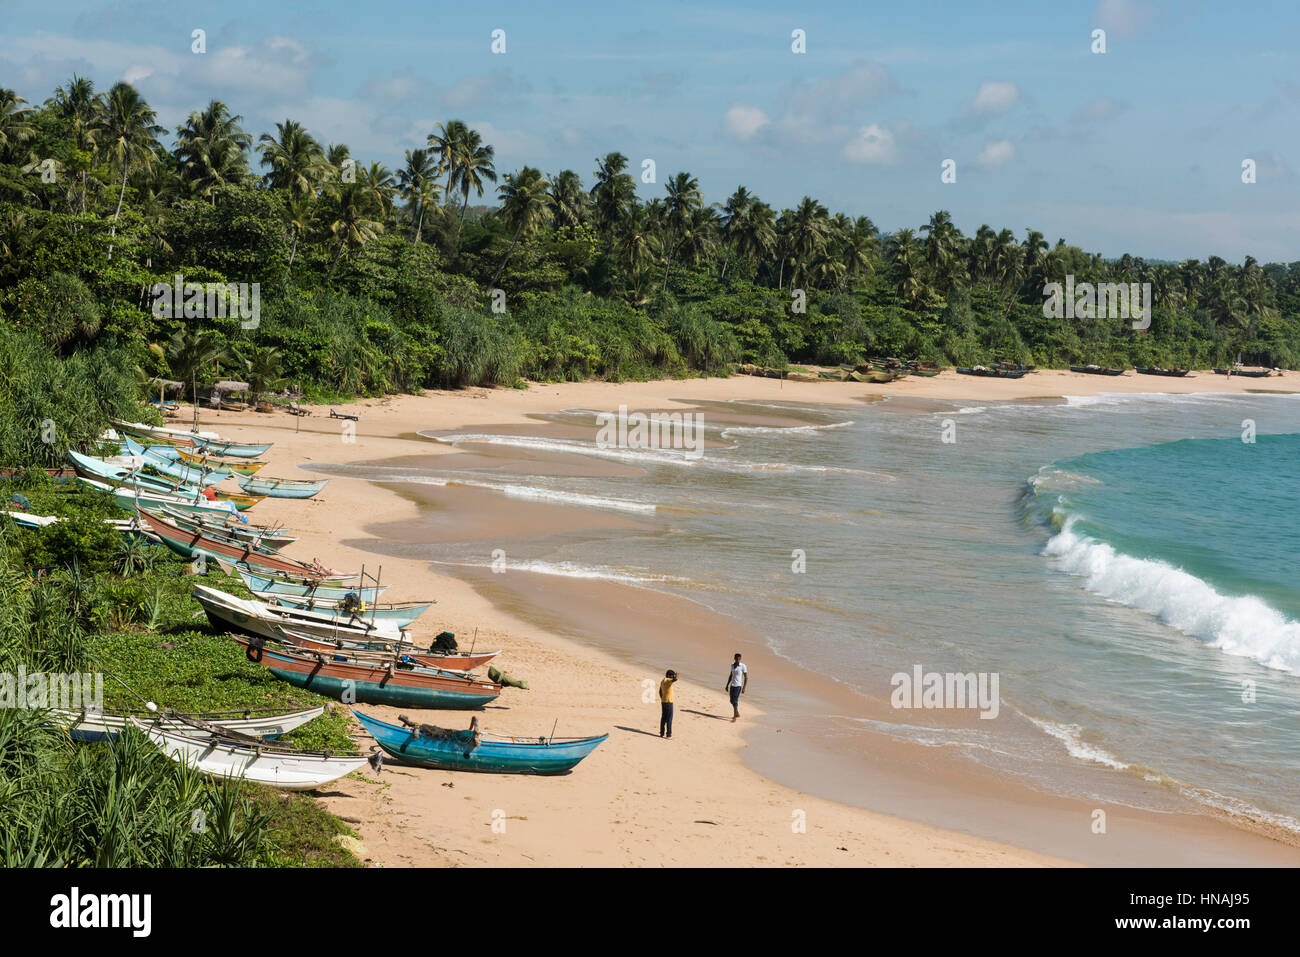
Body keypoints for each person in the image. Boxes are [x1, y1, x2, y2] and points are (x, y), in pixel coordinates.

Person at [723, 653, 747, 721]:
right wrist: (727, 685)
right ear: (734, 658)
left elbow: (746, 677)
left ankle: (734, 717)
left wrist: (744, 687)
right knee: (731, 701)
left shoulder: (743, 666)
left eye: (739, 659)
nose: (737, 660)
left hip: (738, 686)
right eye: (736, 658)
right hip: (732, 685)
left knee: (735, 700)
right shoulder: (732, 665)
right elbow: (731, 675)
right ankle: (737, 713)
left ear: (740, 659)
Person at [658, 670, 678, 738]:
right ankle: (668, 735)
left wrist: (662, 698)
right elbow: (675, 680)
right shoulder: (668, 681)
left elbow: (660, 691)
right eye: (672, 676)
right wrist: (676, 675)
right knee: (669, 719)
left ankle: (662, 733)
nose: (672, 677)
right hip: (669, 702)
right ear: (669, 676)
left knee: (663, 718)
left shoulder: (662, 681)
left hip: (663, 701)